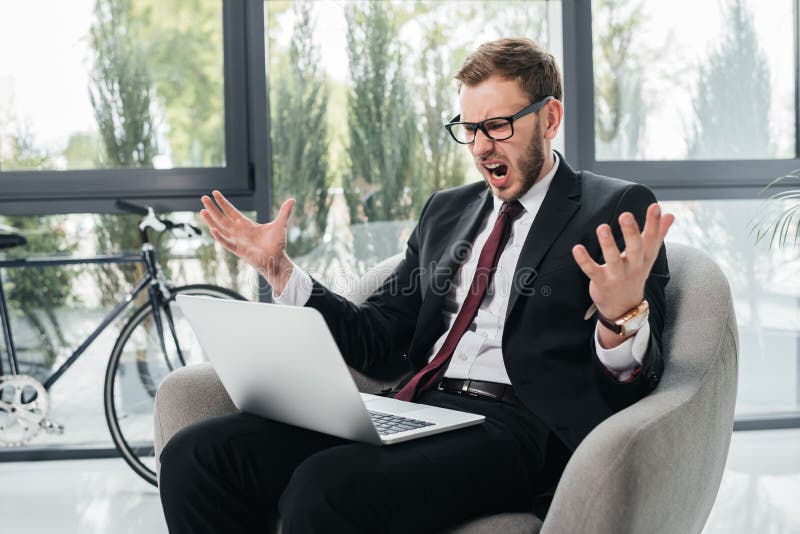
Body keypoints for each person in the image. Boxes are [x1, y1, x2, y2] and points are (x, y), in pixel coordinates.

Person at [159, 38, 674, 534]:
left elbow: (638, 381)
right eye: (468, 129)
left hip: (516, 430)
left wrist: (618, 318)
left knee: (325, 489)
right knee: (196, 455)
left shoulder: (613, 209)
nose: (479, 147)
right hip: (416, 408)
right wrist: (281, 271)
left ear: (550, 118)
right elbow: (378, 337)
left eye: (497, 126)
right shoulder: (447, 210)